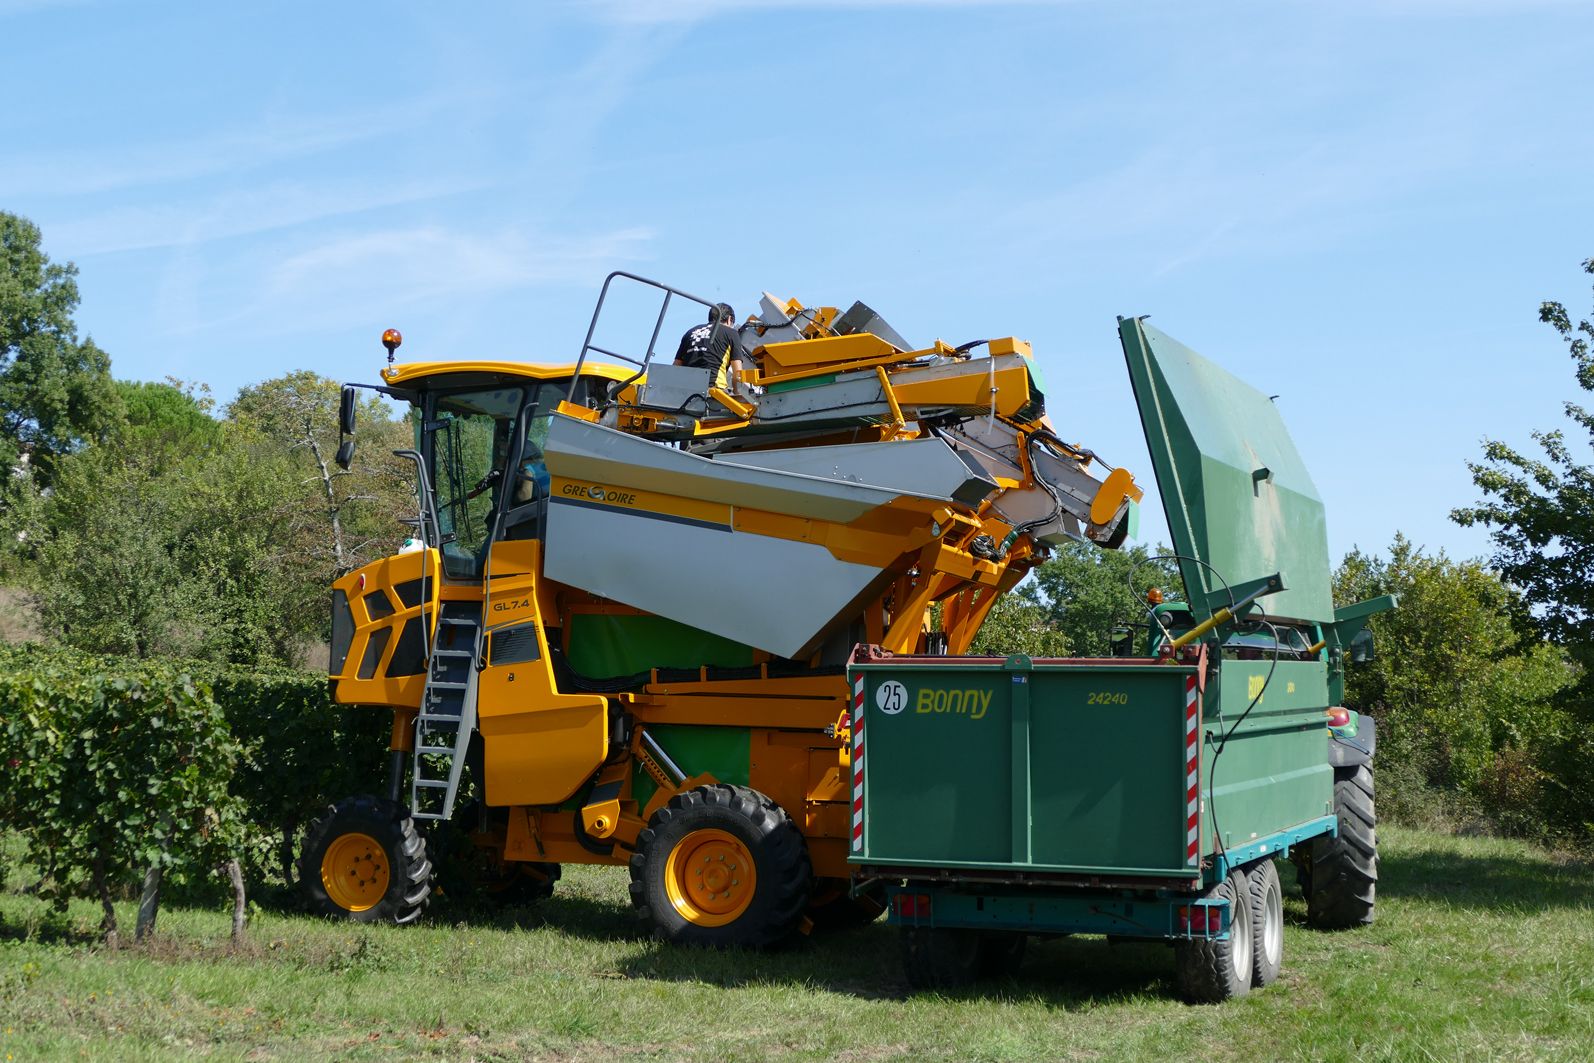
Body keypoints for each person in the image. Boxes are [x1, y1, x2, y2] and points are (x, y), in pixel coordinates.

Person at [674, 302, 748, 392]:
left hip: (686, 390)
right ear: (729, 319)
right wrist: (737, 395)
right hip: (714, 390)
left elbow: (676, 366)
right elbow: (738, 374)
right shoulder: (731, 333)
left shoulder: (690, 332)